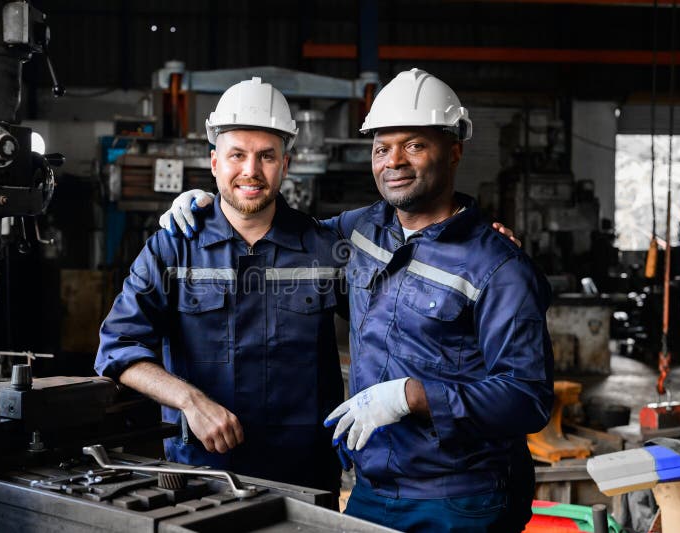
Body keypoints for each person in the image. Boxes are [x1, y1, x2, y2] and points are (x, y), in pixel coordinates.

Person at [163, 69, 553, 533]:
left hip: (461, 497)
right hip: (371, 488)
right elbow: (276, 230)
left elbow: (527, 398)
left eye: (414, 145)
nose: (395, 161)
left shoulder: (497, 267)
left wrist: (413, 397)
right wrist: (211, 206)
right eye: (382, 148)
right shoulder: (360, 232)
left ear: (453, 151)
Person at [95, 77, 345, 495]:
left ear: (285, 165)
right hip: (201, 477)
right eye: (237, 155)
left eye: (266, 156)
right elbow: (116, 349)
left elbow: (391, 326)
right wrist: (191, 402)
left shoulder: (324, 249)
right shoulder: (172, 248)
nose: (251, 170)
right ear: (215, 163)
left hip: (303, 478)